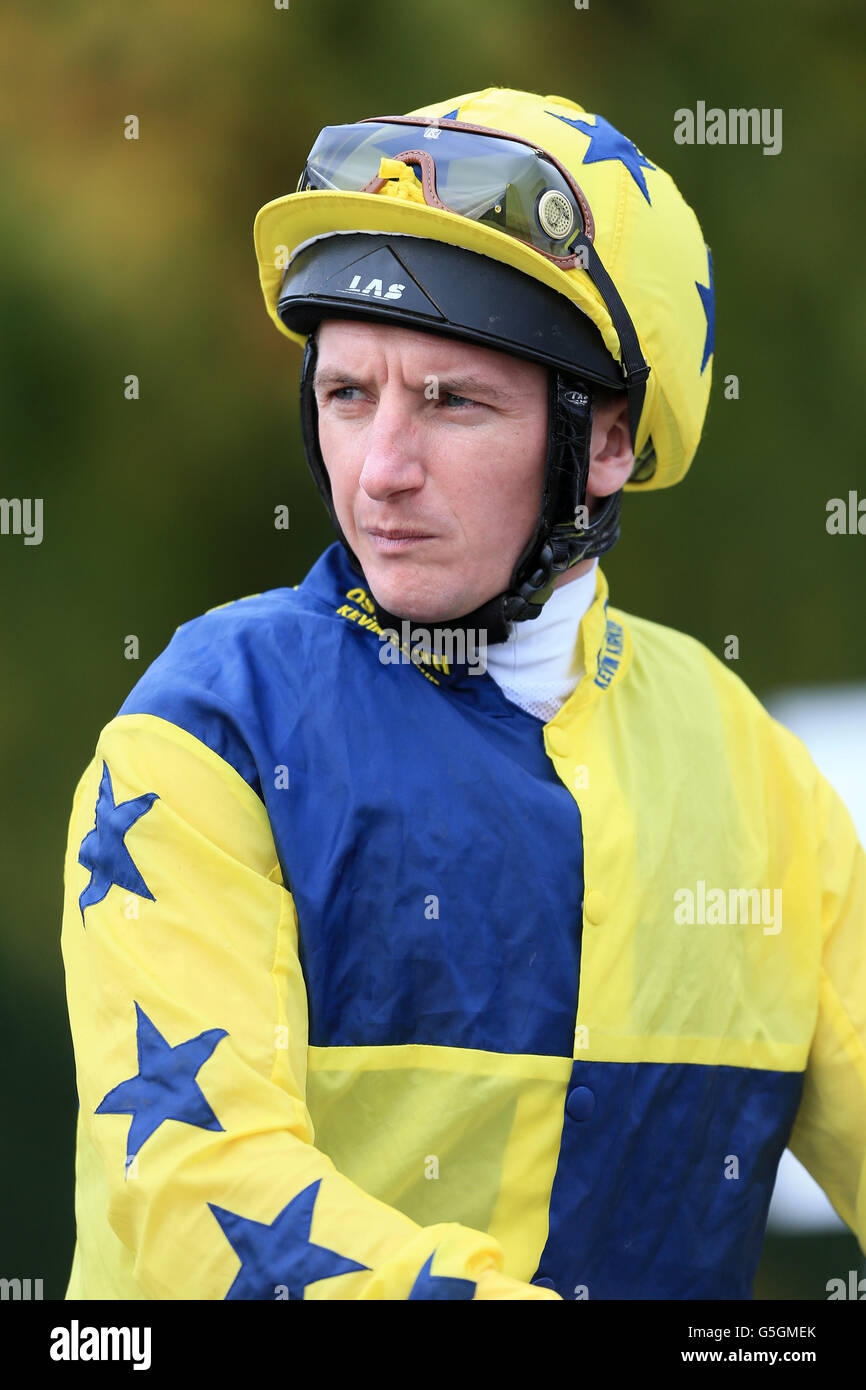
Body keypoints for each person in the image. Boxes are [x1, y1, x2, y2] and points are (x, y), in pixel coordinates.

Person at [60, 87, 866, 1301]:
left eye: (450, 401)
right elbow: (203, 1201)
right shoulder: (206, 729)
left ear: (602, 442)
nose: (379, 470)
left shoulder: (756, 775)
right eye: (347, 394)